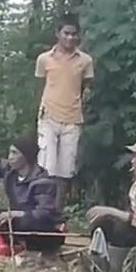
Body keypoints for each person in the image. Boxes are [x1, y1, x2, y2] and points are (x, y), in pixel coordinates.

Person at [35, 15, 94, 196]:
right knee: (47, 166)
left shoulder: (85, 61)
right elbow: (40, 86)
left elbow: (86, 86)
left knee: (65, 170)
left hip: (73, 118)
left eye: (74, 34)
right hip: (48, 116)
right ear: (57, 34)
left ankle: (57, 213)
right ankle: (42, 206)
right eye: (66, 33)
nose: (70, 38)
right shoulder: (44, 59)